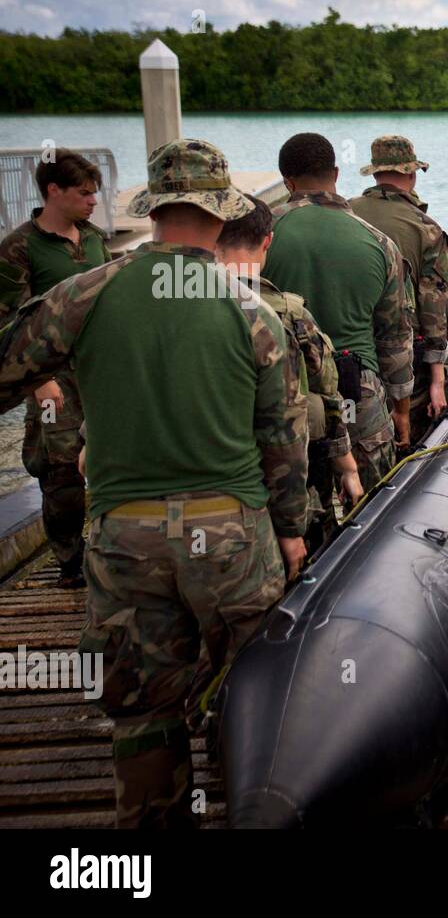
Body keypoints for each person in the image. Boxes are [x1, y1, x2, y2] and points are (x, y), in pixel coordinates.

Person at [0, 139, 308, 828]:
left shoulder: (83, 293)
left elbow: (8, 367)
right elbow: (285, 439)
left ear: (155, 208)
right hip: (232, 533)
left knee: (142, 714)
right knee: (255, 693)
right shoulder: (252, 312)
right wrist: (290, 531)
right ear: (224, 216)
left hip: (123, 539)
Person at [263, 132, 415, 491]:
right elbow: (395, 337)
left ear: (287, 180)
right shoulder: (379, 243)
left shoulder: (262, 235)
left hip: (288, 393)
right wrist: (403, 409)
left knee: (298, 502)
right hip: (358, 391)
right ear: (335, 174)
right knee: (370, 506)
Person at [215, 194, 363, 552]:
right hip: (291, 478)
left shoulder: (184, 302)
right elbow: (329, 397)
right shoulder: (287, 312)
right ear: (267, 241)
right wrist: (349, 469)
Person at [0, 150, 110, 587]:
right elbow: (8, 326)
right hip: (53, 380)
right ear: (53, 191)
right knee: (60, 467)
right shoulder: (19, 248)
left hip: (100, 372)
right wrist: (39, 382)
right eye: (84, 193)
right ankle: (70, 560)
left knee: (106, 457)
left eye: (95, 192)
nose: (94, 200)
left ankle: (107, 548)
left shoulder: (96, 238)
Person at [350, 135, 448, 443]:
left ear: (376, 174)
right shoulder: (426, 228)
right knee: (416, 436)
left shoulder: (346, 214)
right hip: (409, 358)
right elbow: (438, 307)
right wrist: (439, 376)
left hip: (353, 353)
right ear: (411, 173)